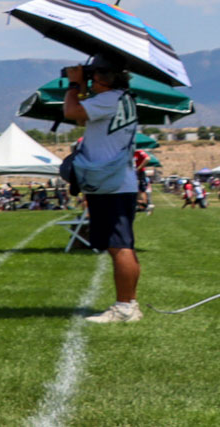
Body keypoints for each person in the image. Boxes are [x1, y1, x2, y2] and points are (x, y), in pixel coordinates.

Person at [64, 62, 143, 323]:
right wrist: (82, 86)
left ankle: (124, 307)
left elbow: (71, 111)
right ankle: (130, 303)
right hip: (118, 181)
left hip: (111, 184)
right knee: (122, 245)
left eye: (94, 76)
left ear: (105, 79)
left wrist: (74, 85)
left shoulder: (109, 99)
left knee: (119, 246)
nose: (91, 81)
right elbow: (81, 118)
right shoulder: (122, 98)